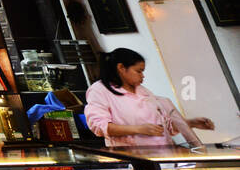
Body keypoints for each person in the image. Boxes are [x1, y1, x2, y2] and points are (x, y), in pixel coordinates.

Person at [85, 48, 214, 148]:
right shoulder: (99, 90)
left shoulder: (143, 91)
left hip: (165, 154)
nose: (143, 76)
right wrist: (139, 129)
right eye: (139, 71)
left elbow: (165, 126)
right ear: (121, 68)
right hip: (134, 157)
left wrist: (190, 123)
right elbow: (99, 127)